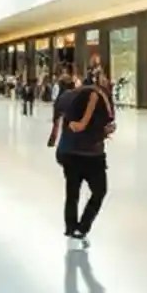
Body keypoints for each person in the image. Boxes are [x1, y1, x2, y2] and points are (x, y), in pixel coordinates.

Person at [49, 74, 115, 247]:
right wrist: (105, 131)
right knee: (99, 191)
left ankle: (70, 227)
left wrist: (54, 139)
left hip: (69, 152)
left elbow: (57, 122)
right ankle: (83, 226)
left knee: (72, 191)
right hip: (92, 154)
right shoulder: (100, 97)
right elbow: (106, 125)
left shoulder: (64, 98)